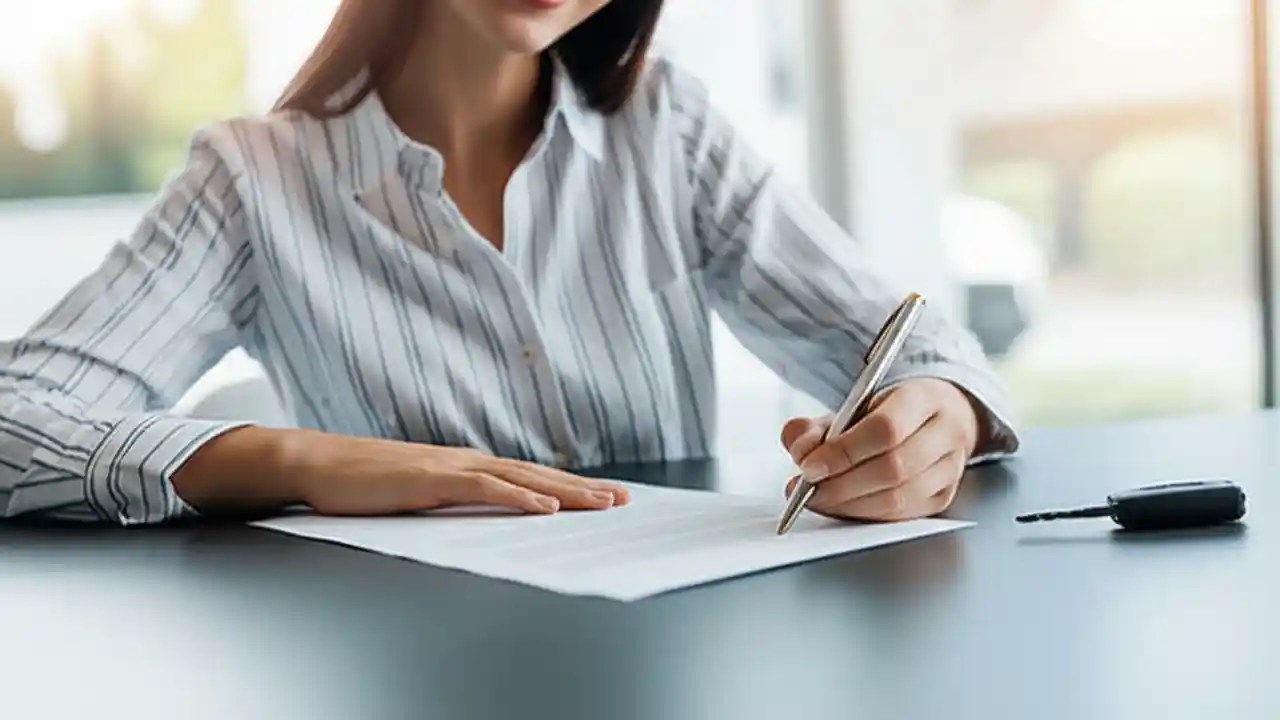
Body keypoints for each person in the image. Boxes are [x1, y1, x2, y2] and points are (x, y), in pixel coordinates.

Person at [0, 0, 1018, 526]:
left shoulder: (665, 128)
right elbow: (15, 419)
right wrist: (291, 462)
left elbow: (913, 343)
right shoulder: (254, 181)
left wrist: (937, 411)